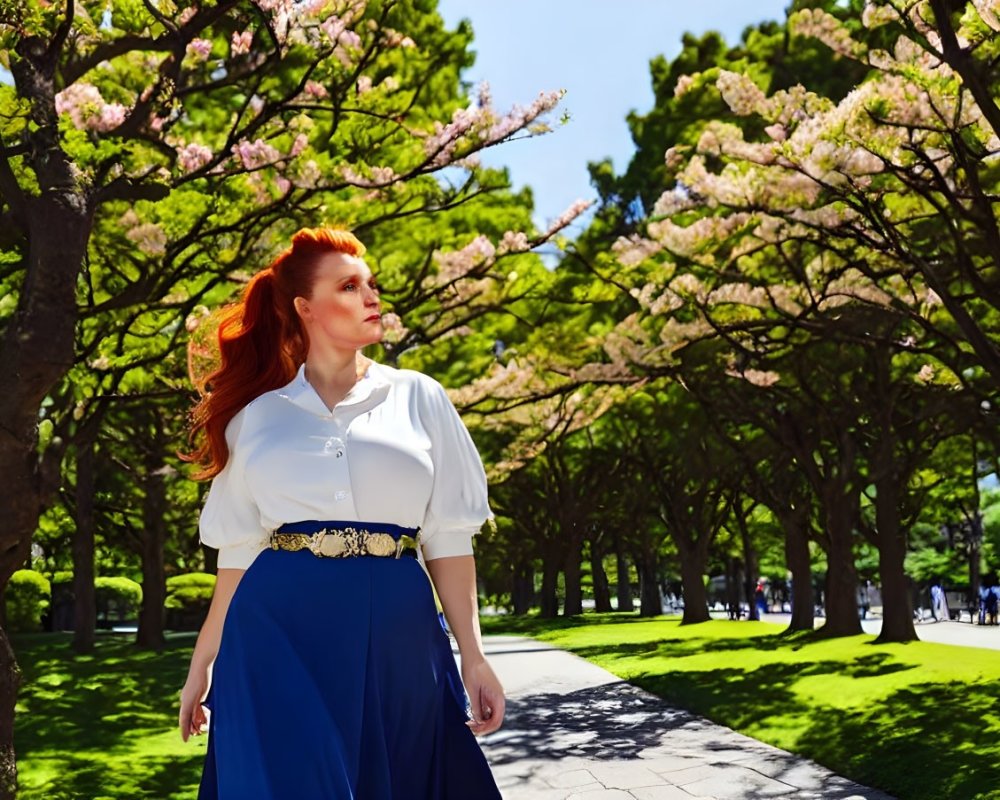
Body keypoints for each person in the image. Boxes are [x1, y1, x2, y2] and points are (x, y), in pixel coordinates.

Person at [176, 227, 505, 799]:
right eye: (350, 286)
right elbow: (238, 556)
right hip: (276, 632)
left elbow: (449, 540)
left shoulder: (420, 397)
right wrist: (203, 663)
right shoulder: (255, 419)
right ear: (306, 308)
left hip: (399, 633)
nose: (372, 297)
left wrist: (473, 656)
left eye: (371, 283)